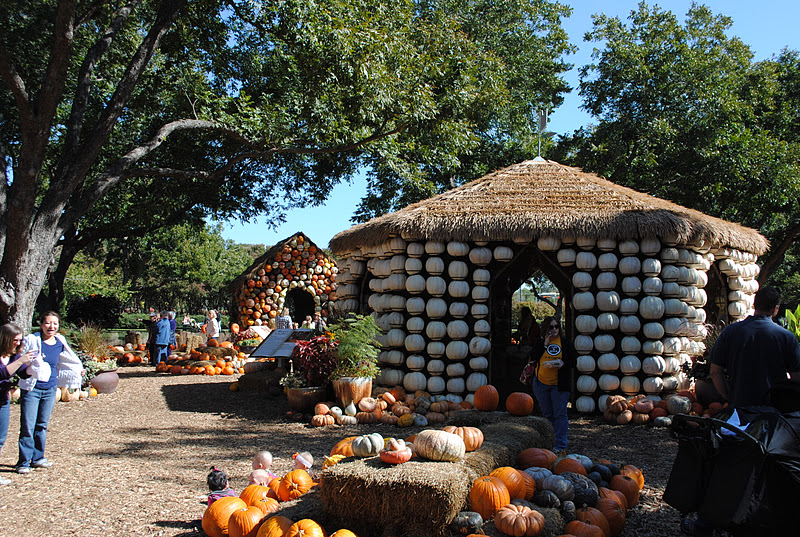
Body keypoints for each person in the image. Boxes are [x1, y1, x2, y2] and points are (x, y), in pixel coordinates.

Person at [710, 286, 800, 408]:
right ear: (776, 309)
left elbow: (715, 372)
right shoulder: (786, 337)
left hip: (739, 412)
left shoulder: (730, 332)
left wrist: (730, 397)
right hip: (774, 412)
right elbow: (796, 378)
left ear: (754, 304)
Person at [17, 311, 83, 474]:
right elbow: (19, 360)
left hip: (50, 388)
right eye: (48, 323)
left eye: (55, 323)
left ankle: (38, 457)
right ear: (41, 324)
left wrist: (78, 371)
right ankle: (23, 461)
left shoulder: (60, 341)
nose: (51, 326)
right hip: (32, 388)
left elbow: (68, 360)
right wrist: (28, 369)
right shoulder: (32, 340)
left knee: (42, 425)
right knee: (28, 425)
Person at [529, 316, 576, 454]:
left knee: (560, 414)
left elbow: (574, 361)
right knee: (547, 415)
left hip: (559, 385)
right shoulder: (541, 341)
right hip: (541, 384)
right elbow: (533, 356)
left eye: (557, 327)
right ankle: (549, 442)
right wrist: (545, 343)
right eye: (551, 327)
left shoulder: (565, 342)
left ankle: (560, 445)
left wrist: (563, 363)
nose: (554, 329)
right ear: (545, 328)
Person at [0, 324, 36, 485]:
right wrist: (21, 359)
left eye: (20, 340)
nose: (18, 343)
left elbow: (22, 373)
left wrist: (33, 367)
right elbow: (2, 373)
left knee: (1, 438)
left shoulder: (13, 356)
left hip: (3, 400)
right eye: (15, 340)